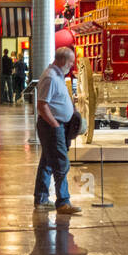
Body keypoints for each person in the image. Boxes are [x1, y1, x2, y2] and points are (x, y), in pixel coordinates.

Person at [34, 47, 81, 214]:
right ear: (62, 61)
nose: (72, 66)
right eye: (71, 62)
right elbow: (42, 105)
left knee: (47, 163)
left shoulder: (58, 76)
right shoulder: (50, 78)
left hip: (57, 125)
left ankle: (41, 199)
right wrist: (54, 124)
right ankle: (63, 202)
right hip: (52, 126)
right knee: (61, 163)